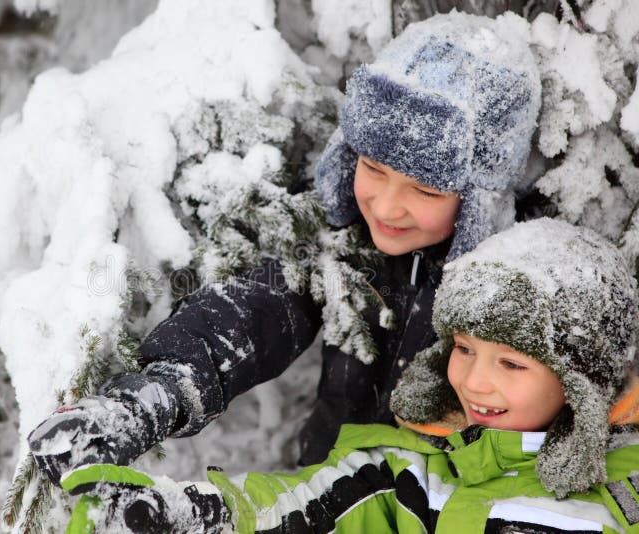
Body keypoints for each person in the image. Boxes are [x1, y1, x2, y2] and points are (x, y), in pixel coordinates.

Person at [27, 11, 543, 485]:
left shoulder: (511, 290)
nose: (386, 208)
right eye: (373, 169)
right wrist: (160, 393)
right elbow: (255, 308)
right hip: (327, 488)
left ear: (481, 200)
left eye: (426, 190)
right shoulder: (344, 241)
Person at [60, 218, 639, 533]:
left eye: (511, 363)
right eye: (463, 349)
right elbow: (297, 508)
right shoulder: (414, 468)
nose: (476, 382)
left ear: (579, 381)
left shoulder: (622, 495)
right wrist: (181, 513)